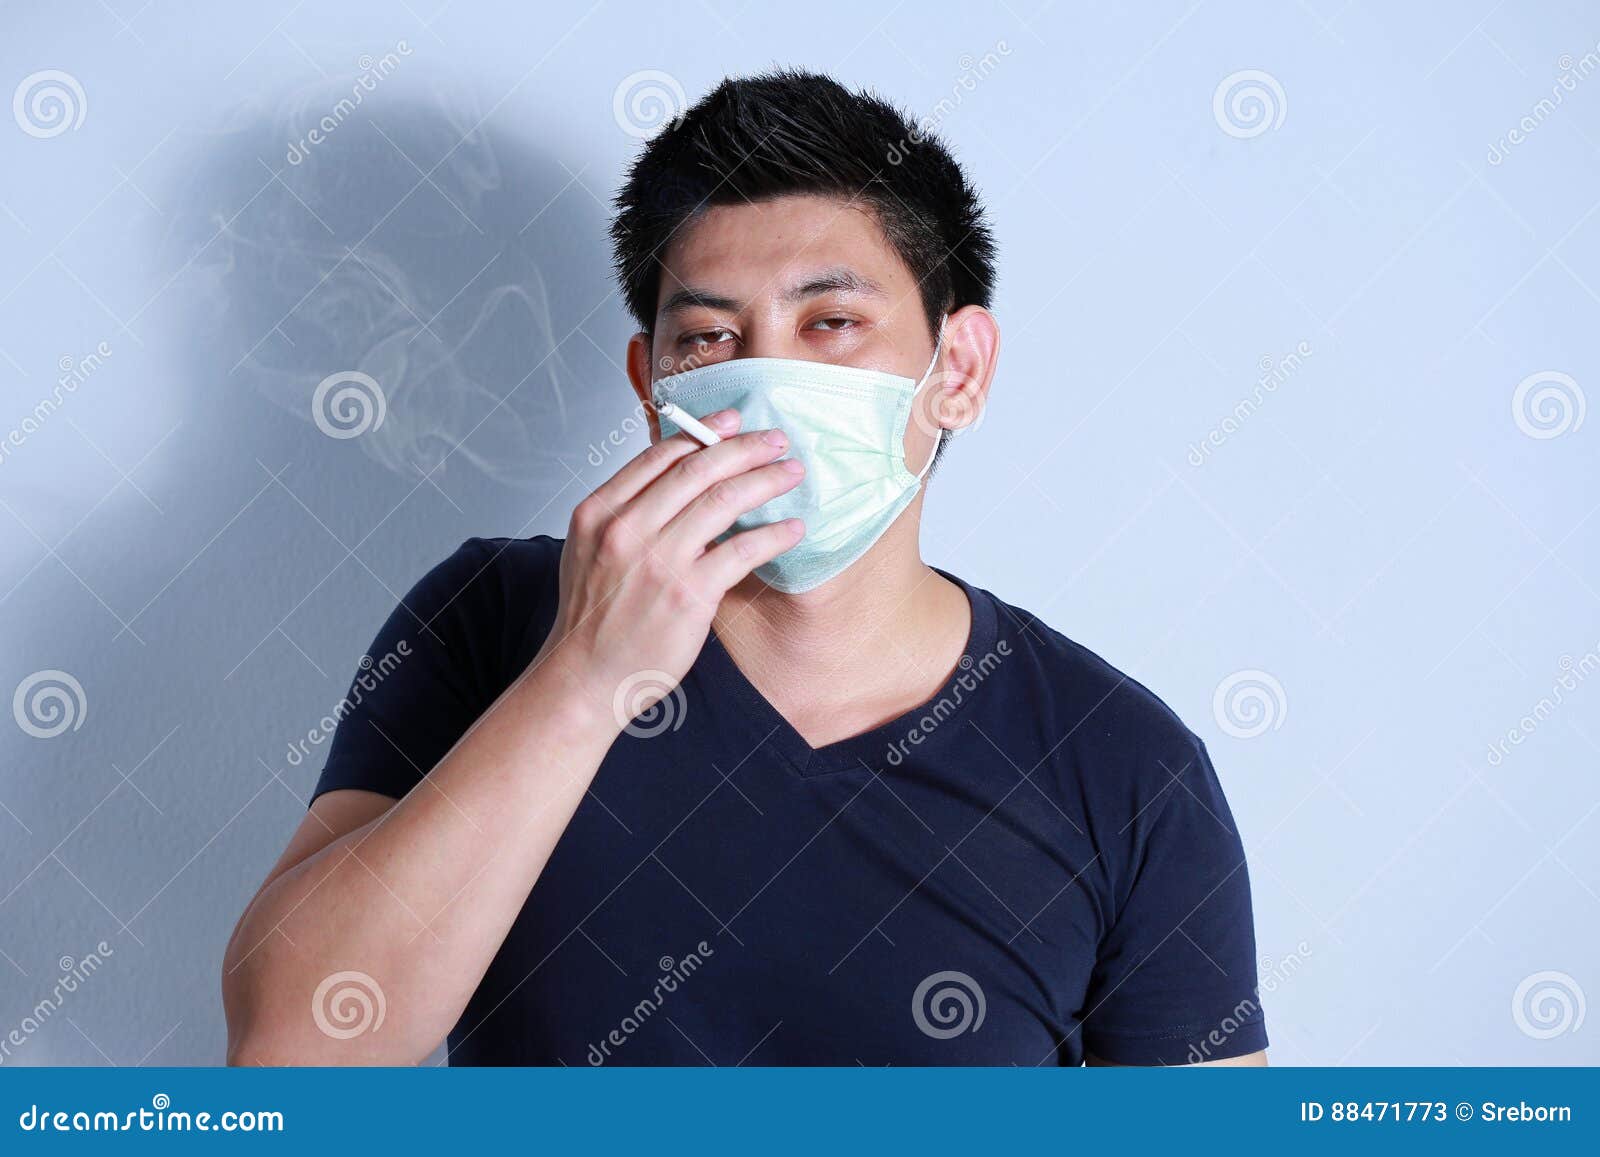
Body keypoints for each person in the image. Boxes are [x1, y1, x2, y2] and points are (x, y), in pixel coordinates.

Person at [222, 68, 1267, 1067]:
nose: (770, 383)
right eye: (712, 339)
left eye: (833, 323)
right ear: (651, 387)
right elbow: (293, 1050)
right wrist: (586, 674)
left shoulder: (1123, 766)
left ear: (956, 369)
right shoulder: (491, 619)